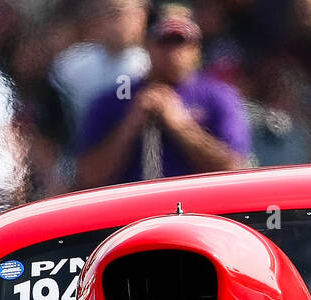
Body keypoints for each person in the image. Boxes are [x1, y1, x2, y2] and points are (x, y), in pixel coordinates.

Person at [76, 7, 250, 187]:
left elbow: (234, 168)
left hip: (196, 207)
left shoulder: (219, 97)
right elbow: (88, 176)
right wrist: (131, 124)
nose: (173, 52)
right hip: (134, 207)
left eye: (181, 42)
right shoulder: (114, 99)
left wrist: (180, 125)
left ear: (196, 48)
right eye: (164, 42)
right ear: (147, 45)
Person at [52, 0, 151, 132]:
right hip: (82, 147)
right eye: (104, 13)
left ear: (141, 16)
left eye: (117, 13)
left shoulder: (151, 66)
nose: (110, 22)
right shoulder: (70, 64)